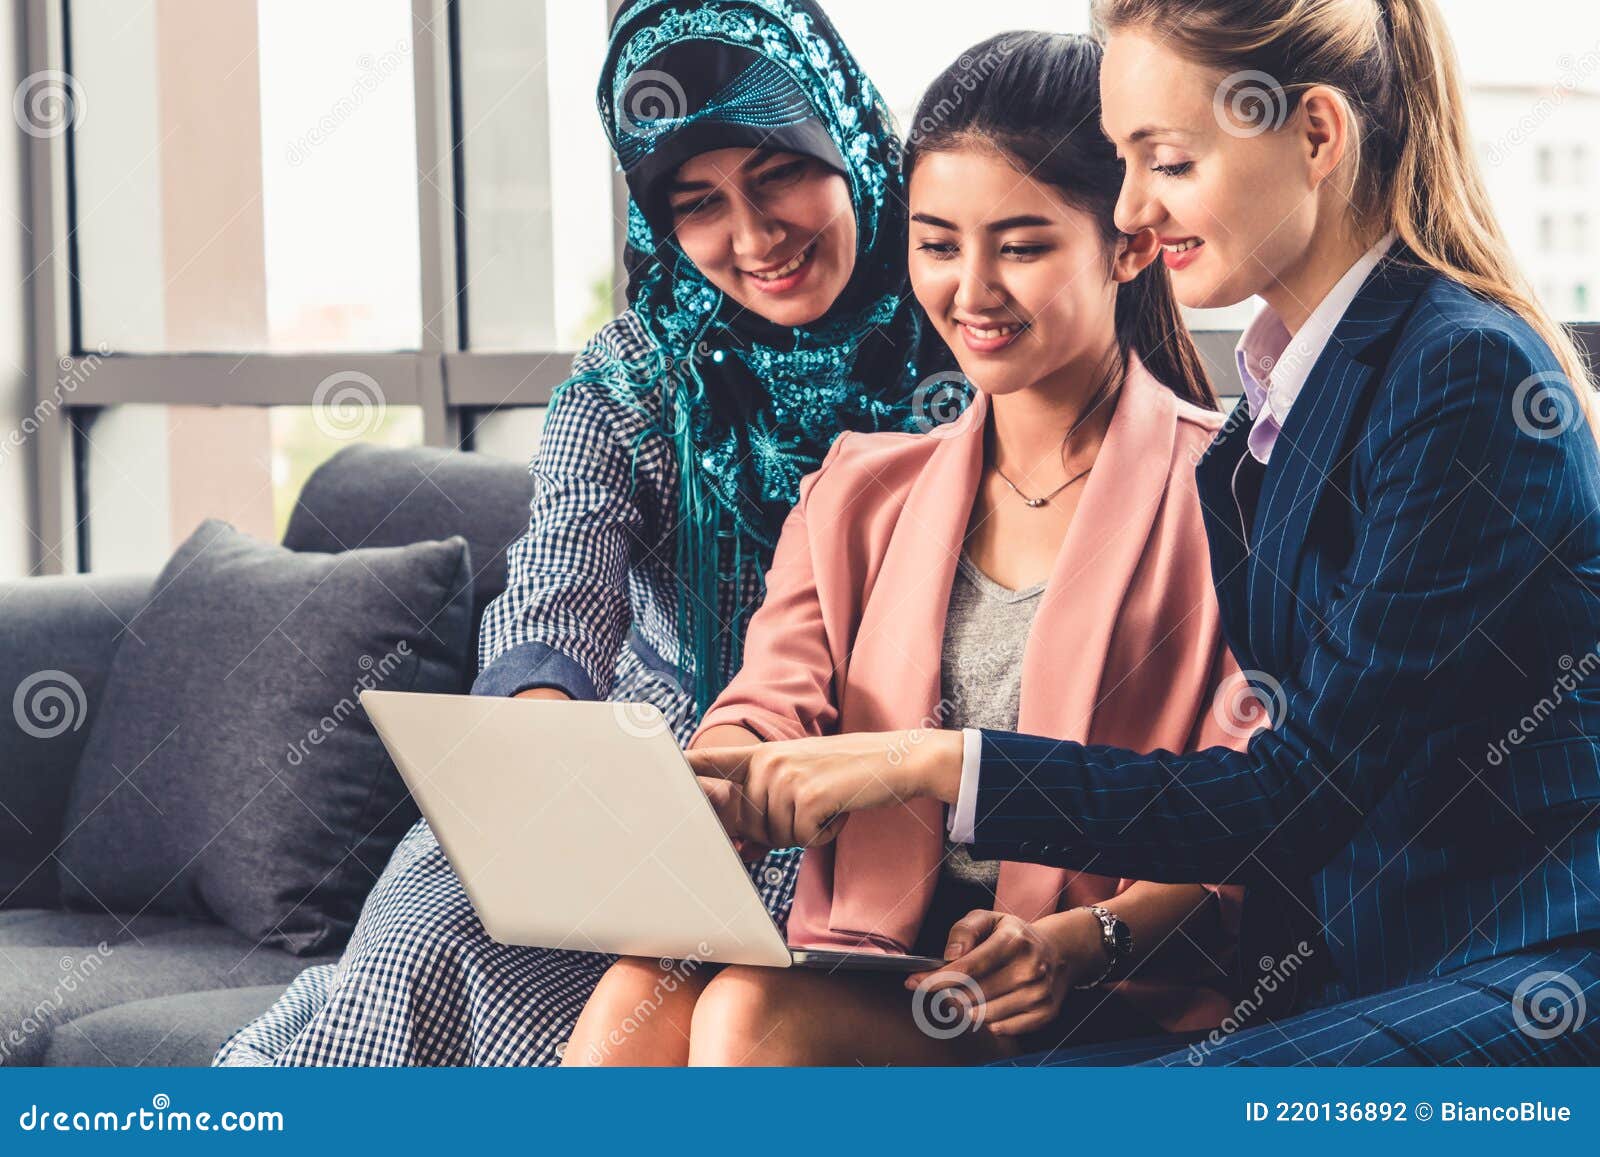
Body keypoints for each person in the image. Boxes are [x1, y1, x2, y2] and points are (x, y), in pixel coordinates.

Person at [688, 0, 1600, 1066]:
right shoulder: (1290, 405)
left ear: (1315, 134)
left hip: (1518, 962)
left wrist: (934, 762)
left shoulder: (1458, 375)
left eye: (1164, 162)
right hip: (1365, 966)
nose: (1132, 207)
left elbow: (1289, 791)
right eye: (1123, 162)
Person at [213, 0, 946, 1067]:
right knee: (424, 934)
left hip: (856, 803)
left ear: (838, 131)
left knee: (678, 1008)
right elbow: (557, 584)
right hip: (639, 800)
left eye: (777, 171)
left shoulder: (968, 338)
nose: (752, 237)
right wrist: (547, 742)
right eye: (697, 202)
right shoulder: (633, 380)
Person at [563, 32, 1255, 1067]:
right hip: (882, 964)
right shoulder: (858, 490)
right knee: (640, 991)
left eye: (1020, 246)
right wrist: (719, 780)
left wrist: (1076, 939)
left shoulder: (1236, 494)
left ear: (1127, 243)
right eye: (936, 244)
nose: (971, 290)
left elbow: (1255, 820)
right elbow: (767, 703)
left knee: (746, 1016)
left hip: (1099, 989)